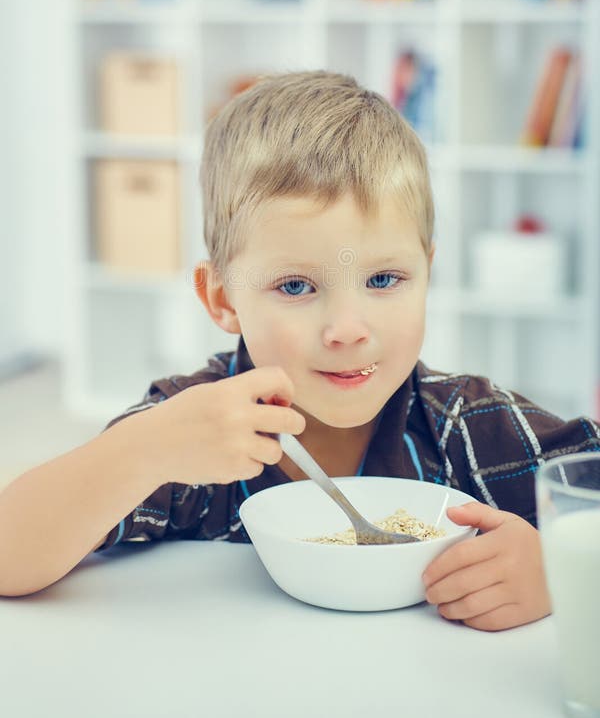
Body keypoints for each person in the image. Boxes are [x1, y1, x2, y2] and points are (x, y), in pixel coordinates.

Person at [1, 71, 599, 629]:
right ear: (223, 299)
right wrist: (144, 450)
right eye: (295, 286)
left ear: (428, 273)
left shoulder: (469, 425)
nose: (347, 329)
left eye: (385, 280)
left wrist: (562, 571)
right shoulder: (187, 429)